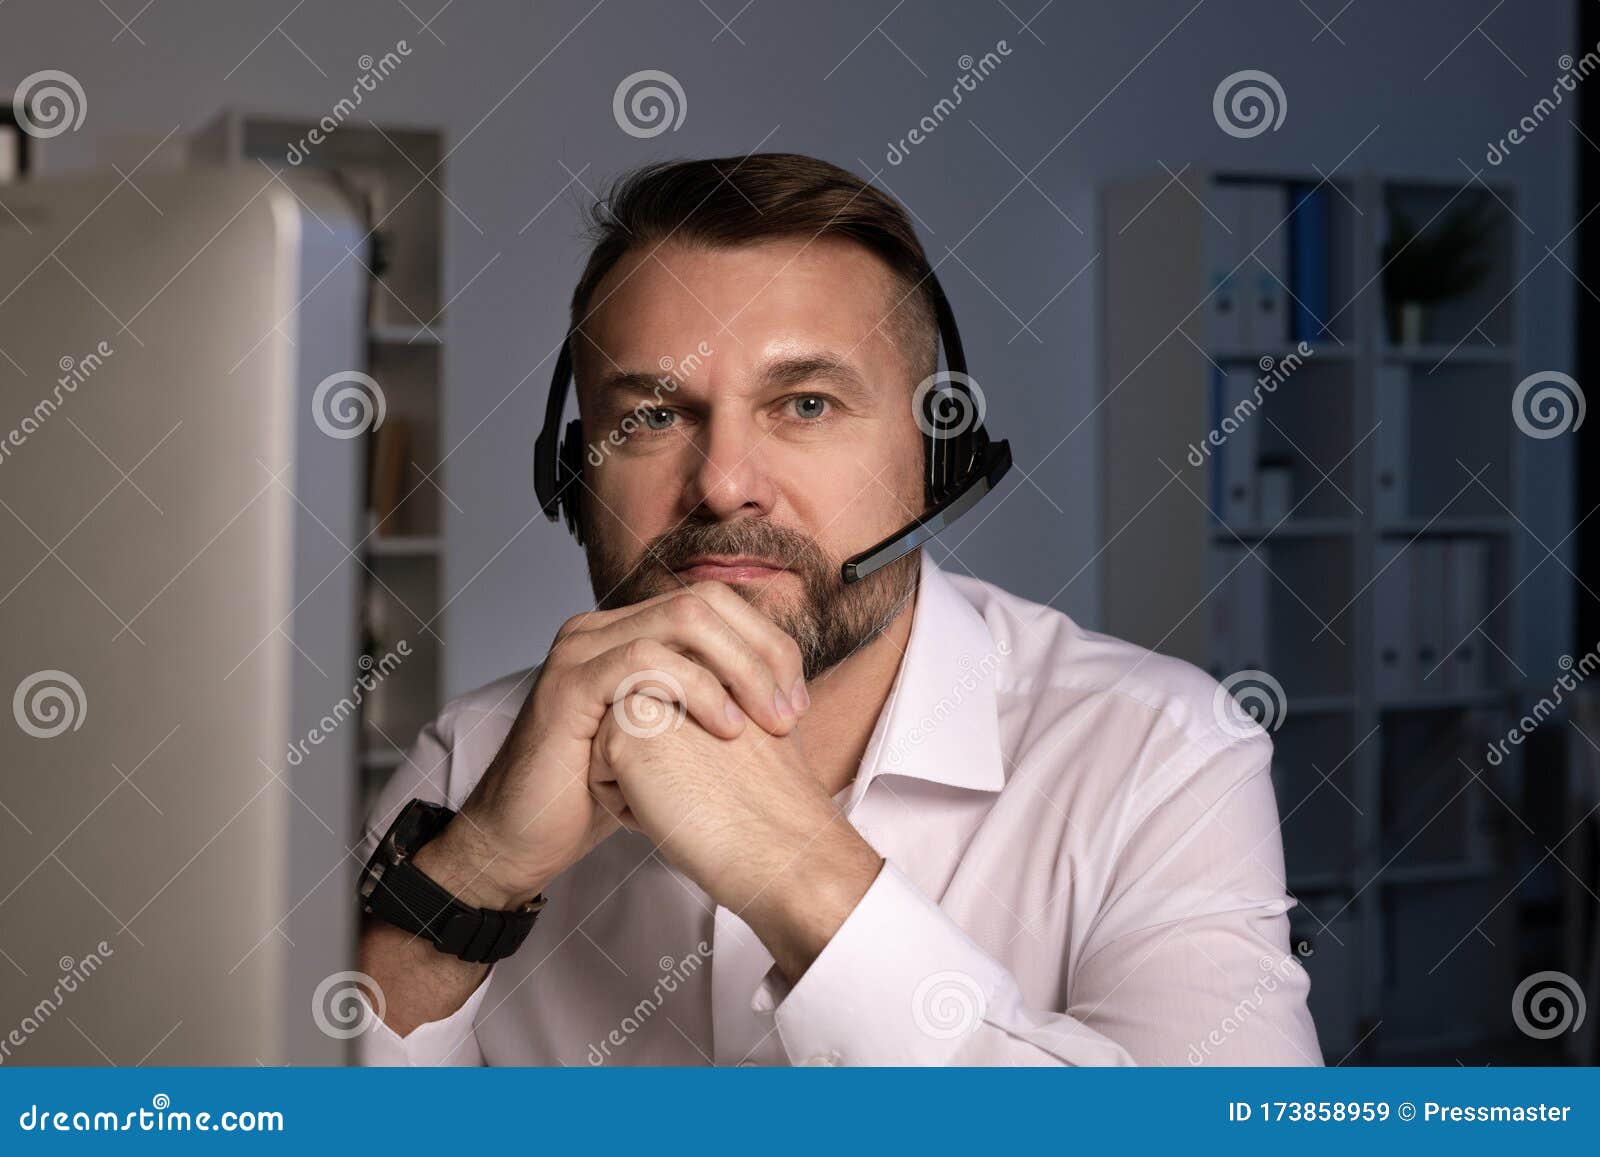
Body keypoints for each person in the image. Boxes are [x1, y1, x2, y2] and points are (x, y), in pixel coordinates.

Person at [355, 152, 1320, 1066]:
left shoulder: (1156, 750)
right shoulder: (476, 756)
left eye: (807, 404)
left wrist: (801, 870)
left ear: (939, 455)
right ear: (573, 475)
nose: (725, 485)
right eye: (651, 416)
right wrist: (470, 879)